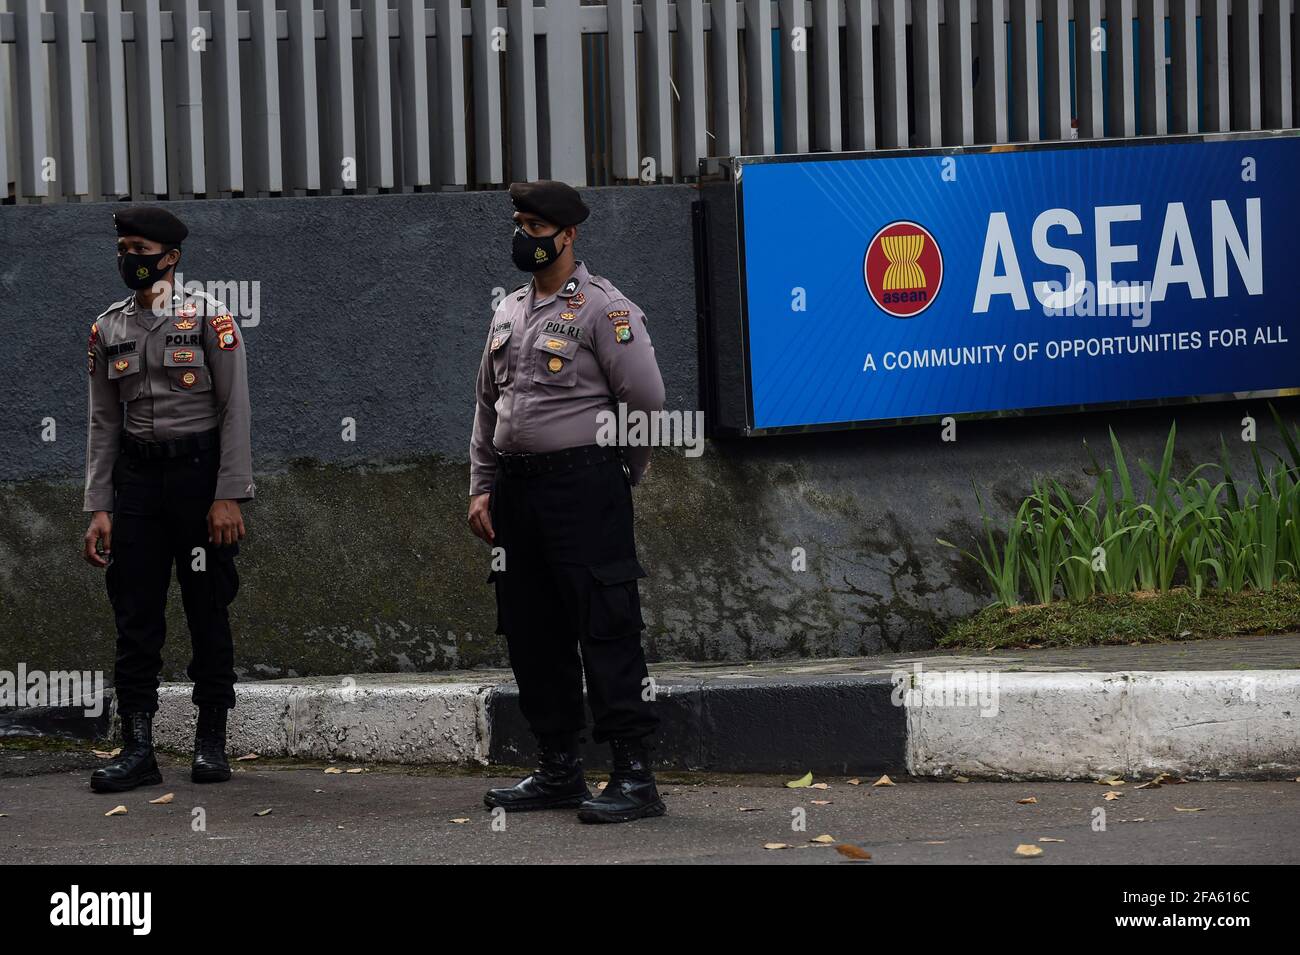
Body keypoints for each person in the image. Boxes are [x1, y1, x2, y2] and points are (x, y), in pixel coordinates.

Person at [468, 180, 667, 824]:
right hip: (516, 491)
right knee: (530, 628)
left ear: (568, 234)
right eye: (518, 223)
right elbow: (486, 405)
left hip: (584, 484)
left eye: (534, 225)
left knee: (605, 625)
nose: (523, 235)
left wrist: (619, 473)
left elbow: (646, 400)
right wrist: (481, 484)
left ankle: (635, 777)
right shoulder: (508, 311)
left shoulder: (605, 310)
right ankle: (559, 768)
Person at [82, 206, 254, 793]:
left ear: (170, 257)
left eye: (140, 248)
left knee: (207, 607)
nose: (130, 258)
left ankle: (211, 743)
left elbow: (235, 411)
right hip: (137, 484)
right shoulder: (108, 328)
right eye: (124, 247)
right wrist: (99, 506)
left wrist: (229, 494)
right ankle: (137, 748)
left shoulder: (210, 319)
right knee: (135, 614)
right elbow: (103, 423)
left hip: (199, 480)